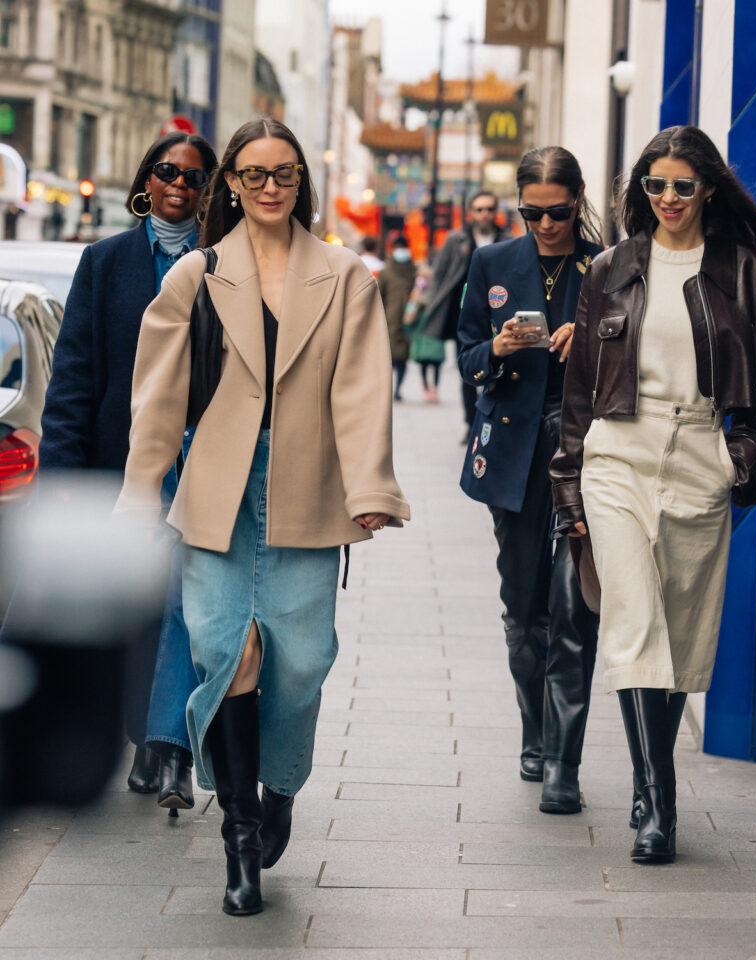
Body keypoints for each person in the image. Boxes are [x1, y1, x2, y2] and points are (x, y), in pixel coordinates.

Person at [115, 117, 410, 915]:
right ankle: (239, 836)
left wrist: (371, 485)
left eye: (284, 173)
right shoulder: (198, 274)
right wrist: (139, 495)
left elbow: (361, 387)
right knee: (226, 651)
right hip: (217, 488)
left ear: (300, 182)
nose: (270, 186)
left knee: (303, 661)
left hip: (306, 485)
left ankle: (278, 786)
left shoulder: (345, 275)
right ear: (233, 185)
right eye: (254, 174)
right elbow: (158, 400)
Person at [551, 125, 756, 862]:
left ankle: (650, 787)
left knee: (674, 633)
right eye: (654, 185)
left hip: (701, 450)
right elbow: (579, 390)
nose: (668, 198)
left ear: (708, 188)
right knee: (635, 618)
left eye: (681, 185)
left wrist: (741, 459)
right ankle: (660, 797)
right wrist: (568, 487)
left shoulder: (747, 270)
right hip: (619, 451)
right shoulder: (611, 268)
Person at [37, 132, 218, 811]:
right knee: (131, 609)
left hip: (201, 464)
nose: (179, 185)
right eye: (168, 172)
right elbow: (74, 376)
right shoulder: (106, 261)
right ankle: (140, 736)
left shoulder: (224, 262)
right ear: (147, 179)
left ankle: (168, 751)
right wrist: (60, 476)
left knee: (182, 605)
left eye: (194, 177)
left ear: (209, 190)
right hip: (120, 464)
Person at [457, 147, 603, 814]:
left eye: (558, 212)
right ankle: (534, 734)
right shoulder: (491, 262)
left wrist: (591, 339)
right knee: (522, 607)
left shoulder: (608, 265)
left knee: (573, 606)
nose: (545, 224)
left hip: (584, 450)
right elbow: (466, 351)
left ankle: (563, 762)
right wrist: (498, 348)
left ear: (578, 200)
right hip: (513, 449)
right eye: (531, 213)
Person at [423, 190, 508, 438]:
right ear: (471, 213)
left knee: (496, 368)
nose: (485, 214)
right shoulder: (456, 239)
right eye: (480, 209)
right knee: (468, 370)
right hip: (463, 315)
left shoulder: (506, 239)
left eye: (490, 209)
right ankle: (471, 424)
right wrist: (434, 306)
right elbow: (440, 274)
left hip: (497, 317)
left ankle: (489, 421)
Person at [378, 234, 416, 401]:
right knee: (387, 359)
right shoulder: (386, 271)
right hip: (389, 321)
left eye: (403, 247)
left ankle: (398, 389)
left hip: (408, 321)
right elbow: (379, 296)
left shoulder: (414, 271)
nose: (400, 251)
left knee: (402, 359)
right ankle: (387, 389)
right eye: (398, 247)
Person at [405, 263, 445, 402]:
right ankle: (427, 389)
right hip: (422, 332)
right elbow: (409, 316)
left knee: (435, 364)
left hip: (433, 332)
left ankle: (433, 389)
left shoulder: (436, 292)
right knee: (424, 364)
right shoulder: (416, 293)